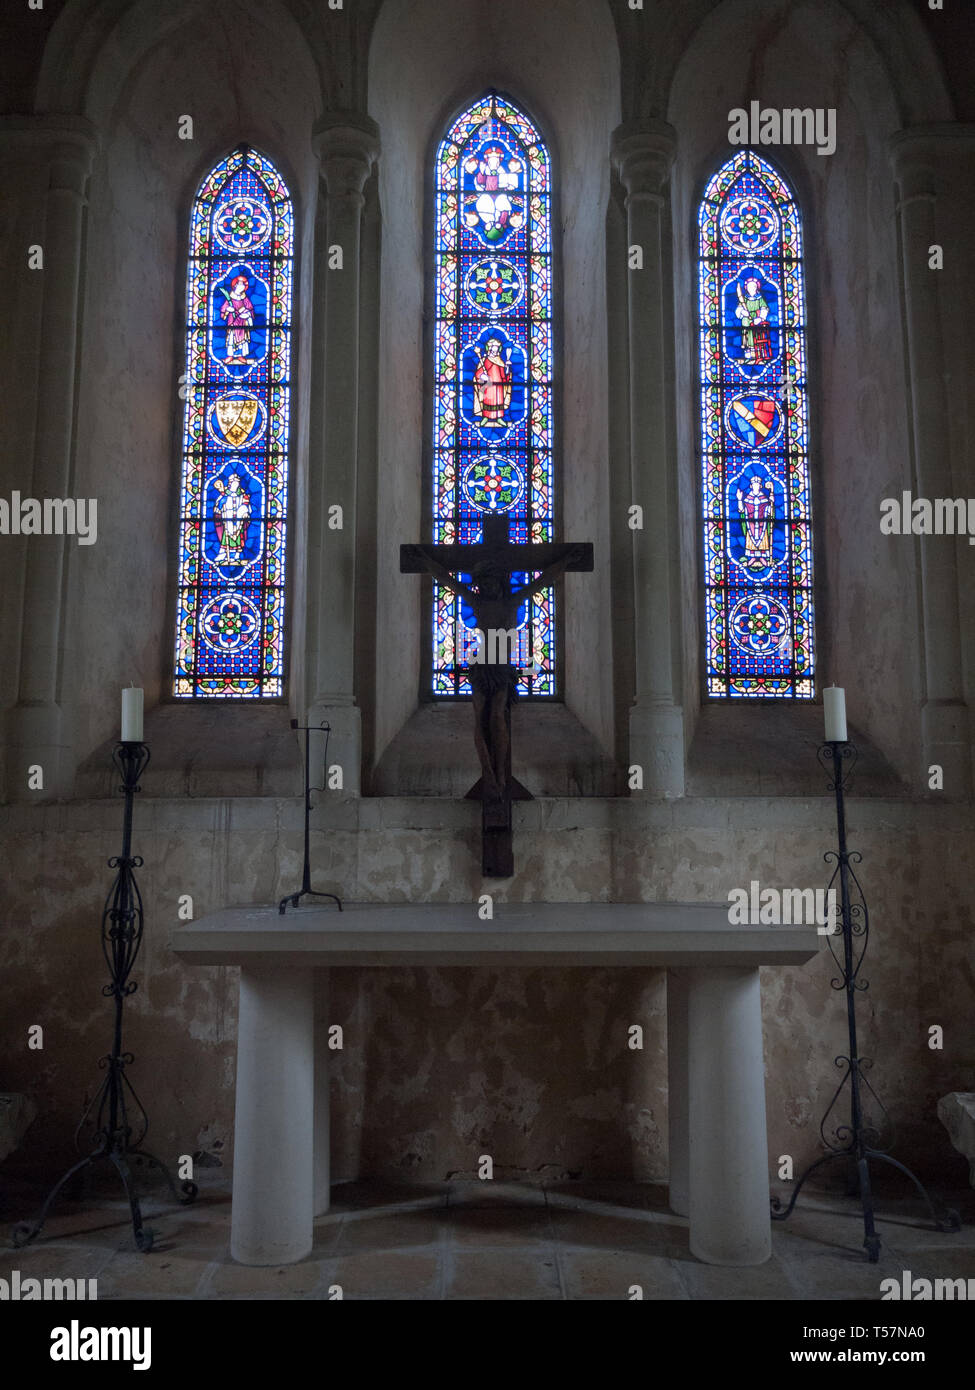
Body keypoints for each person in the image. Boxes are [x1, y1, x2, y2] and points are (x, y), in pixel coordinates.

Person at [212, 474, 251, 564]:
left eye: (237, 482)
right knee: (226, 535)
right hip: (227, 517)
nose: (236, 484)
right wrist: (221, 504)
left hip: (238, 518)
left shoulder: (241, 494)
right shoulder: (225, 494)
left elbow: (246, 505)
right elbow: (218, 505)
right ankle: (223, 553)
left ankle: (237, 555)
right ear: (230, 483)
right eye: (234, 482)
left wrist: (245, 510)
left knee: (237, 536)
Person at [473, 338, 512, 423]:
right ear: (489, 350)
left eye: (496, 351)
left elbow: (504, 375)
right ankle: (486, 417)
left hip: (499, 386)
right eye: (492, 351)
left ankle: (499, 418)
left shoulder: (500, 361)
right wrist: (482, 376)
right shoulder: (485, 360)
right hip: (489, 385)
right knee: (488, 400)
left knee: (499, 401)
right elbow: (478, 373)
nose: (494, 353)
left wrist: (507, 368)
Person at [219, 274, 255, 364]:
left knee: (242, 338)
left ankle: (240, 356)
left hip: (242, 322)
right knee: (232, 337)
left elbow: (250, 308)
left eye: (243, 285)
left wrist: (248, 315)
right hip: (233, 322)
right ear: (235, 285)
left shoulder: (245, 298)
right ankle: (230, 356)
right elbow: (223, 309)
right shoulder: (230, 298)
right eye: (240, 284)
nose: (242, 286)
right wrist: (228, 310)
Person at [735, 276, 772, 363]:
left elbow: (765, 308)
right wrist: (743, 312)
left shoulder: (760, 298)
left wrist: (760, 318)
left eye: (753, 286)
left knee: (758, 329)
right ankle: (748, 350)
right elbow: (738, 309)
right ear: (746, 288)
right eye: (749, 287)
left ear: (757, 288)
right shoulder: (744, 299)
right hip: (747, 319)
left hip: (757, 319)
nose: (752, 288)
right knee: (745, 322)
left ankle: (760, 354)